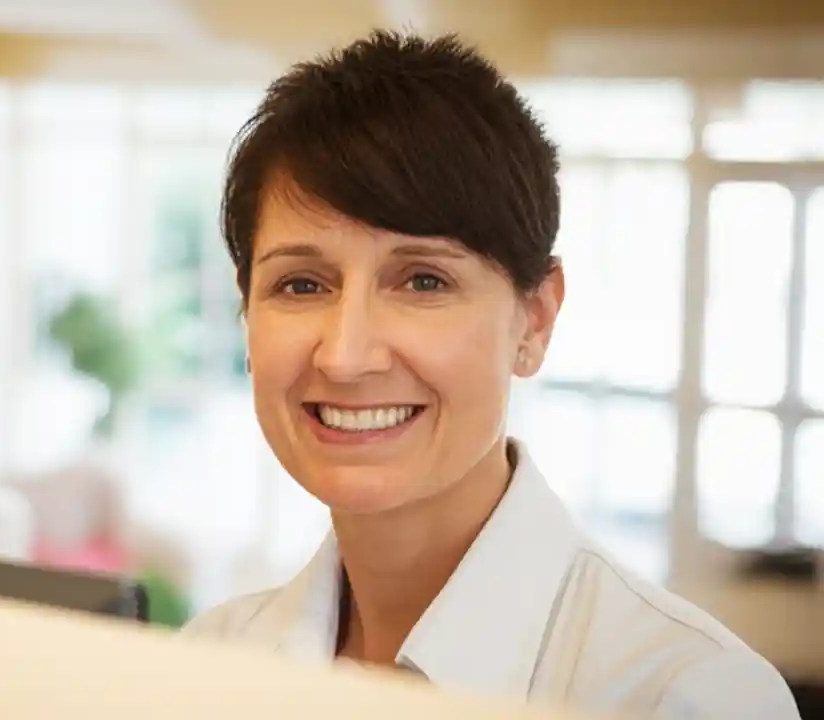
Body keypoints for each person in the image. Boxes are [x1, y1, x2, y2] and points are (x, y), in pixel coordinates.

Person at [182, 31, 800, 719]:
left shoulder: (683, 694)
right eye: (301, 285)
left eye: (422, 280)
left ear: (533, 322)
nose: (345, 356)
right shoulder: (206, 662)